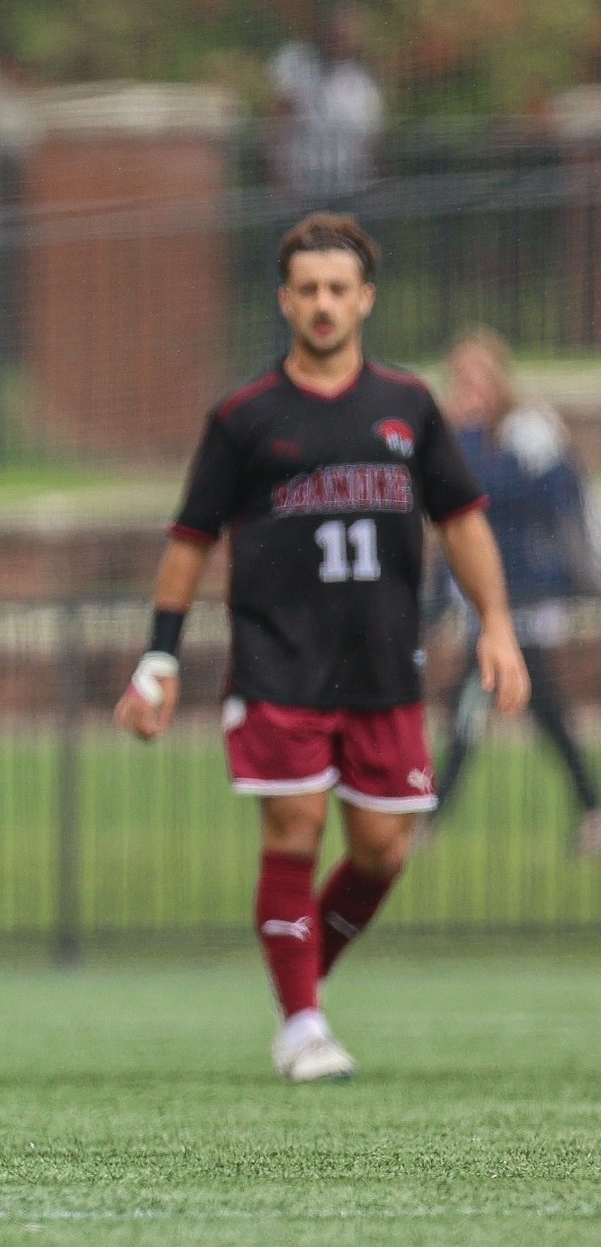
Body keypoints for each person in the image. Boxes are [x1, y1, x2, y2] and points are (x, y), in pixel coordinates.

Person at [115, 213, 529, 1083]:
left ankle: (302, 976)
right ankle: (303, 1019)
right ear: (285, 299)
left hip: (384, 666)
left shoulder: (409, 407)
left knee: (383, 848)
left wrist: (497, 624)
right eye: (308, 288)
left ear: (366, 298)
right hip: (279, 663)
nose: (324, 303)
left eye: (340, 288)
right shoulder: (244, 417)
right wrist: (158, 660)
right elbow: (190, 540)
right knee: (296, 827)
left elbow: (462, 523)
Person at [430, 328, 601, 857]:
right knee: (533, 707)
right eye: (462, 379)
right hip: (484, 597)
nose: (470, 388)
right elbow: (450, 521)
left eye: (479, 377)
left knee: (482, 700)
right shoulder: (460, 440)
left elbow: (550, 497)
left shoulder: (528, 432)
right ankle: (592, 810)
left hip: (526, 595)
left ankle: (430, 820)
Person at [270, 2, 384, 205]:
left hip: (348, 191)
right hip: (301, 190)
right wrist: (278, 180)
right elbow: (277, 123)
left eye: (350, 32)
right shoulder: (297, 63)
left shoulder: (362, 84)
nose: (343, 37)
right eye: (338, 29)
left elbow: (371, 145)